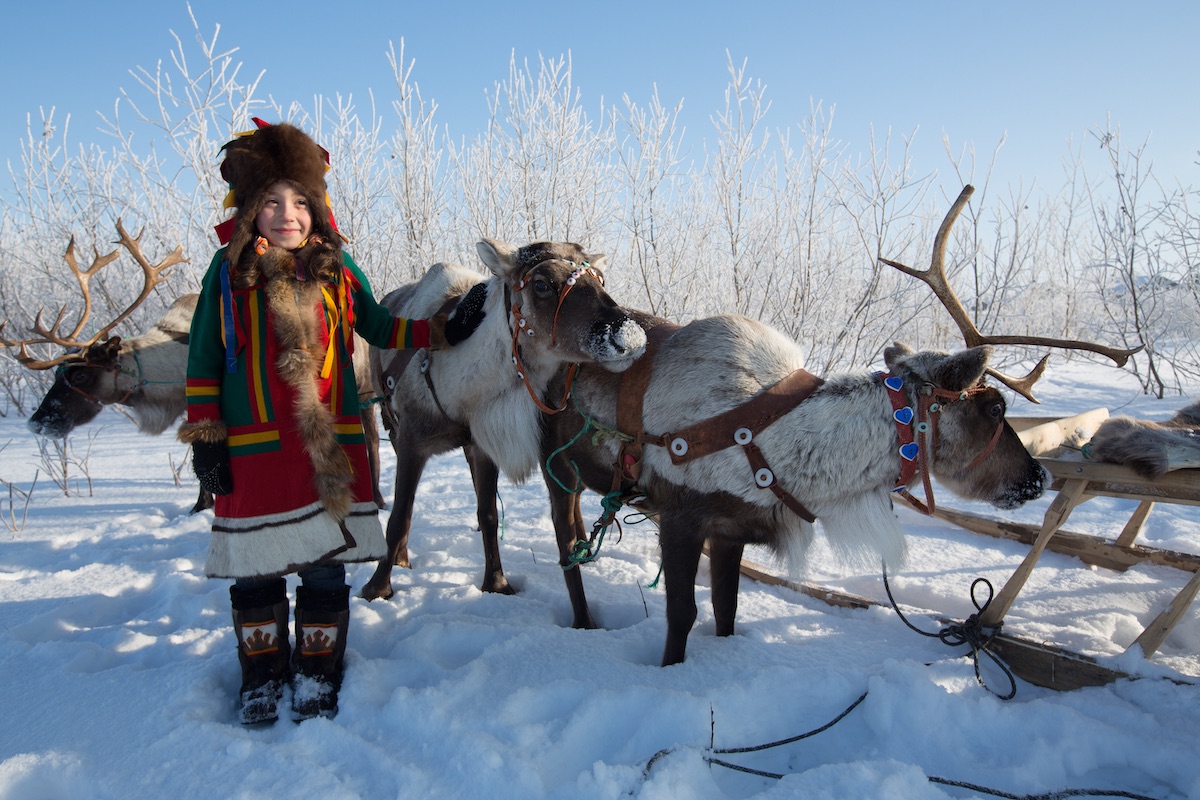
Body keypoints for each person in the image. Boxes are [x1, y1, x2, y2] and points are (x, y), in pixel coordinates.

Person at [177, 119, 483, 724]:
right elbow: (204, 357)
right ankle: (261, 677)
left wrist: (443, 331)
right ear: (249, 210)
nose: (286, 213)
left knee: (323, 567)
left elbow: (381, 327)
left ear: (317, 208)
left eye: (299, 201)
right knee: (256, 570)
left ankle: (318, 672)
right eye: (270, 201)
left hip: (330, 449)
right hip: (255, 449)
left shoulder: (339, 272)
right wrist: (206, 436)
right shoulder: (227, 273)